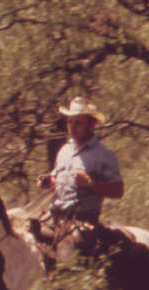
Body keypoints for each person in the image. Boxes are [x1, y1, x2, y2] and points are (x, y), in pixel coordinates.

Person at [36, 96, 123, 228]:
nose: (72, 127)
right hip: (55, 218)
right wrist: (48, 181)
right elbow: (57, 180)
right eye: (70, 122)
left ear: (92, 125)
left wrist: (90, 183)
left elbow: (118, 191)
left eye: (78, 123)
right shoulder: (64, 151)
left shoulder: (104, 155)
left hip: (83, 223)